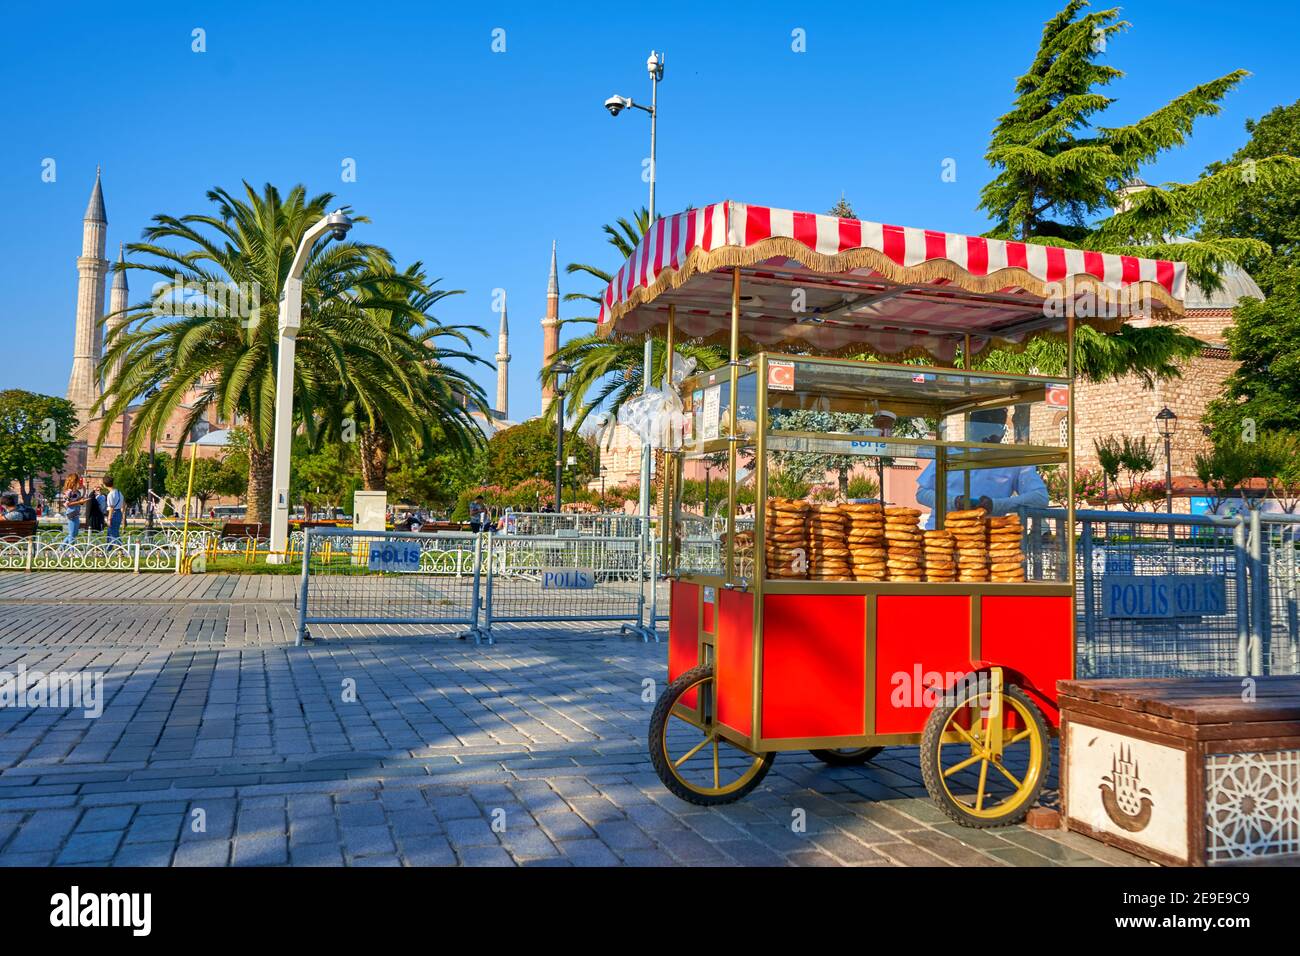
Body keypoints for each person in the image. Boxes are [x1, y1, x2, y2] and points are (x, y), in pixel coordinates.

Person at [915, 407, 1048, 529]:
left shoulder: (1013, 459)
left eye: (993, 430)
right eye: (983, 430)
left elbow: (1040, 498)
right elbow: (922, 494)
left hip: (987, 535)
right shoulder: (950, 452)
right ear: (971, 428)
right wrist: (953, 502)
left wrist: (995, 505)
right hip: (943, 532)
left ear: (1002, 431)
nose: (987, 436)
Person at [62, 474, 87, 545]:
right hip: (71, 513)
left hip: (76, 513)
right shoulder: (68, 492)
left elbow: (80, 499)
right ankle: (71, 551)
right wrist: (79, 502)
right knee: (72, 534)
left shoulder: (77, 492)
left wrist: (84, 489)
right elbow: (67, 504)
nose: (79, 482)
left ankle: (60, 549)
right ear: (74, 482)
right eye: (78, 480)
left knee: (74, 534)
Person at [104, 476, 125, 545]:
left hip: (113, 513)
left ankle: (120, 548)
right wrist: (122, 515)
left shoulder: (110, 494)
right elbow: (123, 504)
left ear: (105, 485)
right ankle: (108, 549)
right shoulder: (119, 492)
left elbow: (111, 507)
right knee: (111, 532)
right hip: (119, 512)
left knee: (113, 533)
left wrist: (109, 519)